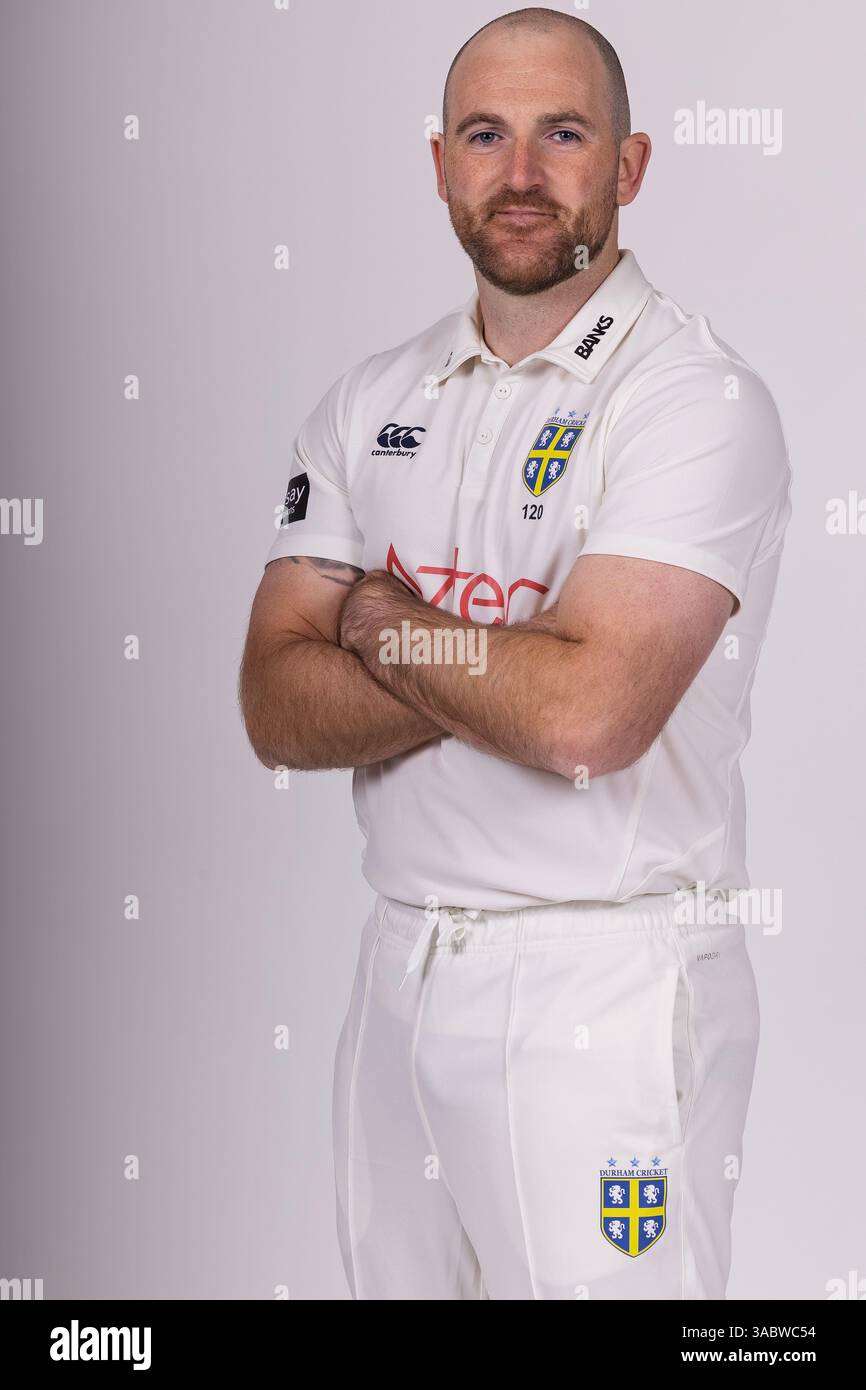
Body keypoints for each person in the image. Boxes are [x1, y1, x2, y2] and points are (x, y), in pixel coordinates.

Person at [239, 7, 791, 1300]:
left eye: (562, 134)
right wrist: (510, 656)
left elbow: (588, 714)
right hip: (398, 964)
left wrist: (379, 625)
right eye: (486, 136)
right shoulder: (369, 399)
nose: (522, 174)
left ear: (630, 165)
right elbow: (275, 699)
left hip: (601, 980)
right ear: (440, 164)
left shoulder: (691, 398)